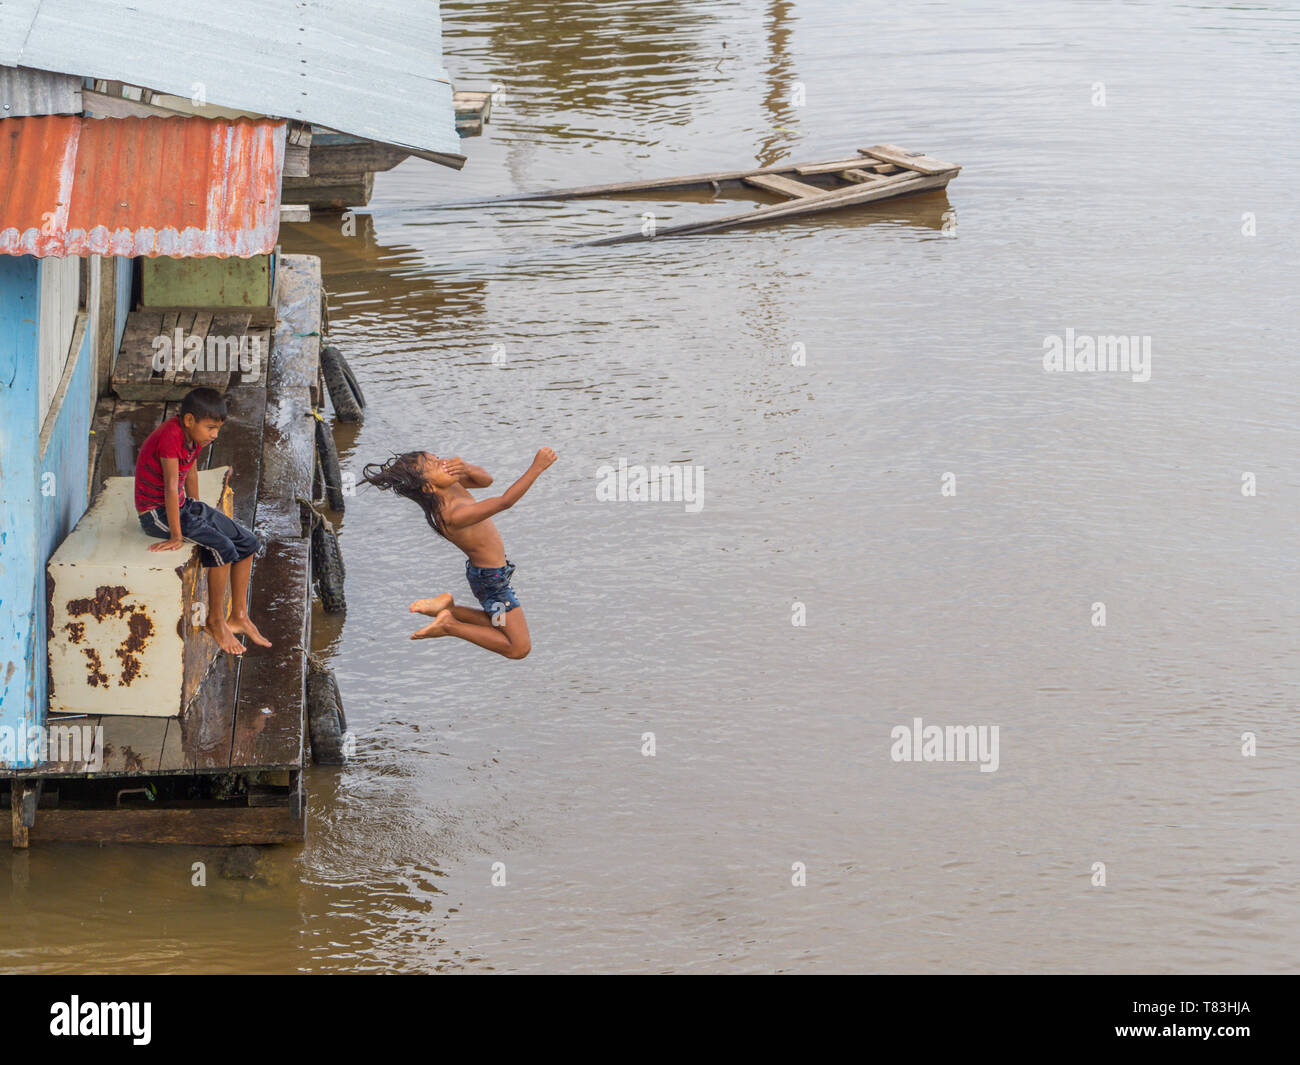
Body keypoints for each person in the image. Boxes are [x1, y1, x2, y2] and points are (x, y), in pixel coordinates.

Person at [362, 448, 556, 658]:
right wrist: (537, 467)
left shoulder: (449, 485)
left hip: (491, 575)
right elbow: (505, 501)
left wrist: (466, 468)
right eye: (435, 464)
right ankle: (449, 625)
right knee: (518, 648)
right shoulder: (454, 515)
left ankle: (450, 609)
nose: (443, 462)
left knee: (500, 625)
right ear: (428, 487)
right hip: (492, 582)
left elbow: (486, 480)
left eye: (438, 458)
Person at [134, 387, 269, 656]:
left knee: (248, 542)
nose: (214, 435)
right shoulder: (171, 437)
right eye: (210, 428)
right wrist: (175, 535)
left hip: (183, 505)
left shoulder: (195, 438)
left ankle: (238, 615)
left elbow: (190, 474)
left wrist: (198, 507)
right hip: (156, 513)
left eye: (217, 429)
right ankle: (215, 621)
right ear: (189, 420)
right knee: (223, 549)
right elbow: (171, 487)